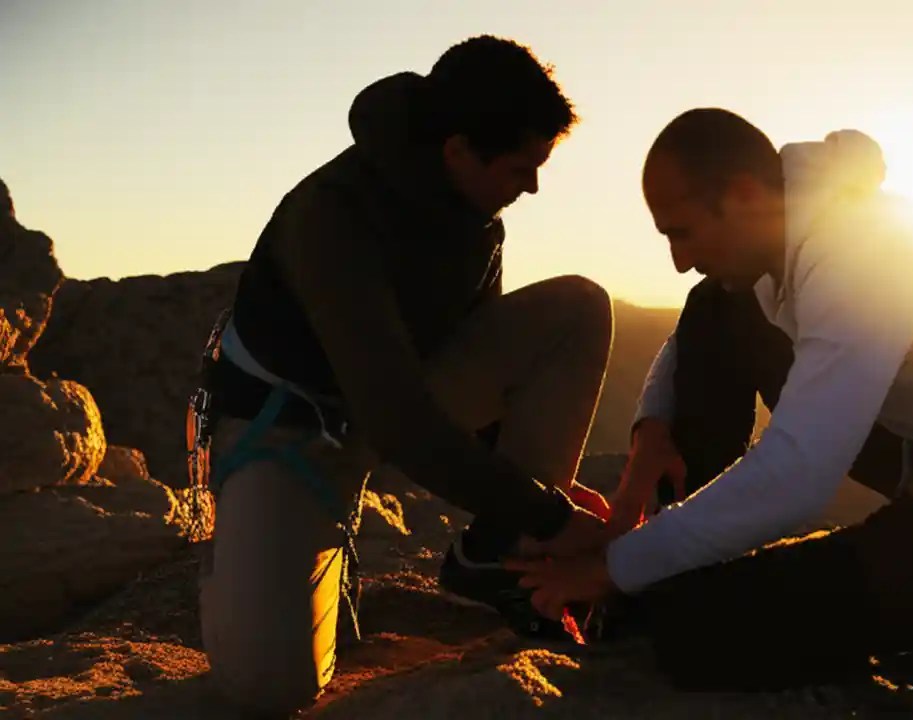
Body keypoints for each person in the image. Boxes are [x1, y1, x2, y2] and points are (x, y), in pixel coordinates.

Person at [513, 109, 913, 691]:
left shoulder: (862, 251)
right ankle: (675, 562)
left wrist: (615, 567)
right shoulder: (784, 227)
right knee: (720, 304)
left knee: (699, 633)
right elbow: (698, 328)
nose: (679, 259)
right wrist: (650, 440)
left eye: (682, 232)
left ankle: (673, 587)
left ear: (742, 195)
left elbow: (799, 476)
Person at [193, 36, 615, 716]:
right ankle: (239, 558)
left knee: (577, 309)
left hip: (392, 408)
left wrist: (532, 506)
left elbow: (471, 368)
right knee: (270, 689)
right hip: (291, 429)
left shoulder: (476, 216)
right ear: (457, 150)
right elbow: (396, 416)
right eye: (520, 167)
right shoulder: (332, 217)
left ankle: (503, 559)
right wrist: (550, 511)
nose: (531, 186)